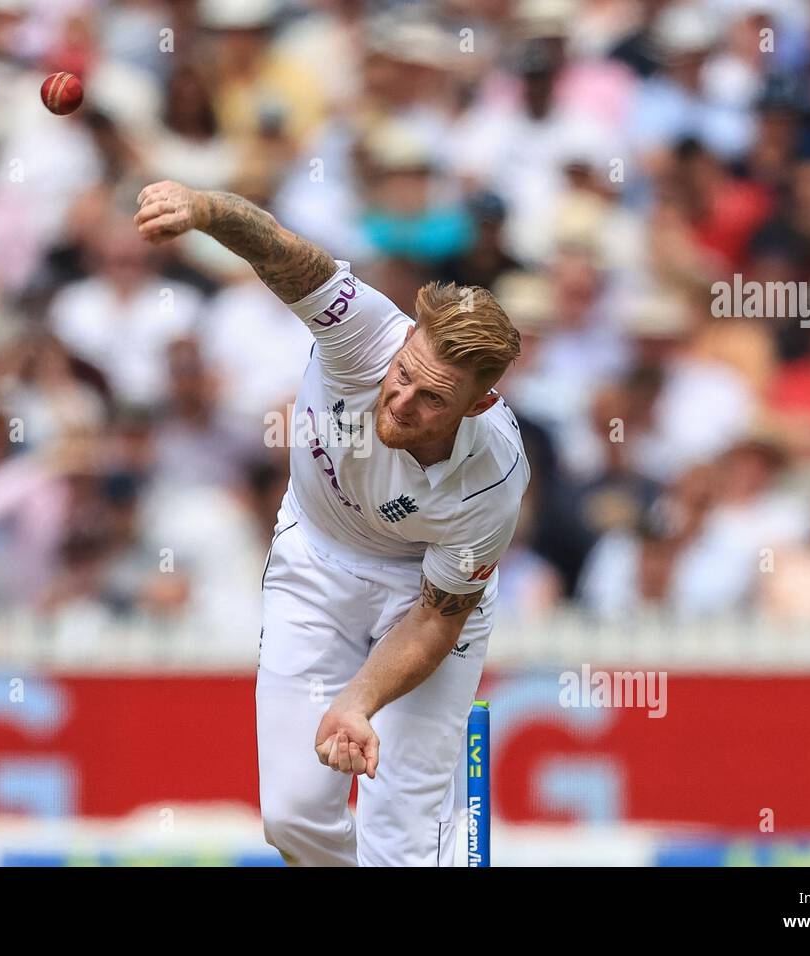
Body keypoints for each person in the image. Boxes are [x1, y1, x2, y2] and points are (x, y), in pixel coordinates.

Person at [133, 180, 530, 866]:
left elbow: (438, 618)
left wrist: (358, 701)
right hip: (316, 563)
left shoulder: (493, 479)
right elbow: (284, 253)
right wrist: (202, 210)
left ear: (479, 402)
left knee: (399, 838)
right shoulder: (363, 332)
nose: (401, 401)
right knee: (292, 819)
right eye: (404, 374)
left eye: (432, 398)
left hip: (424, 601)